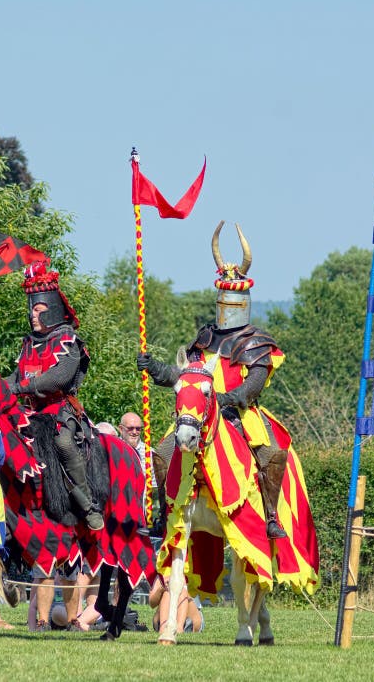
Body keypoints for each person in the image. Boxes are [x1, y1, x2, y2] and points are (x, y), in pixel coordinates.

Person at [137, 221, 290, 539]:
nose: (227, 307)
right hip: (198, 411)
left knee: (271, 453)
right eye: (223, 300)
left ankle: (271, 516)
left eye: (231, 301)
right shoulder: (206, 336)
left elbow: (254, 385)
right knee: (164, 452)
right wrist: (153, 367)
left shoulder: (255, 341)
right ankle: (163, 513)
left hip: (238, 412)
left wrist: (230, 397)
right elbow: (184, 376)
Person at [6, 260, 103, 531]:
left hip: (59, 411)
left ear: (53, 310)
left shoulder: (68, 340)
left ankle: (88, 504)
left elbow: (58, 378)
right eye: (31, 310)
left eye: (39, 310)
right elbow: (13, 379)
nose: (33, 315)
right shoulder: (28, 344)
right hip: (30, 413)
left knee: (62, 443)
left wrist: (22, 387)